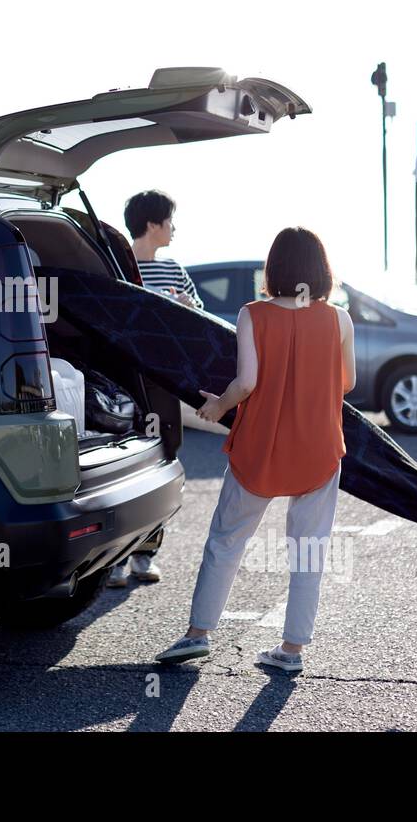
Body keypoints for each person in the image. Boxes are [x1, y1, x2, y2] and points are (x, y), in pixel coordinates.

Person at [154, 226, 355, 673]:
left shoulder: (253, 314)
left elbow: (246, 382)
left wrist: (216, 406)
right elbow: (348, 383)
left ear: (275, 267)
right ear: (320, 269)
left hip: (260, 449)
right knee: (308, 550)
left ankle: (198, 634)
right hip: (319, 450)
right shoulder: (339, 319)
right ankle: (291, 651)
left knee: (227, 540)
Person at [103, 190, 198, 589]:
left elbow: (198, 313)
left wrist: (183, 305)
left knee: (162, 460)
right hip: (125, 383)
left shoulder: (174, 270)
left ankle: (145, 554)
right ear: (153, 224)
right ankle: (116, 559)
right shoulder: (118, 270)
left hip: (164, 384)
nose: (174, 229)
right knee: (121, 469)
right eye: (170, 222)